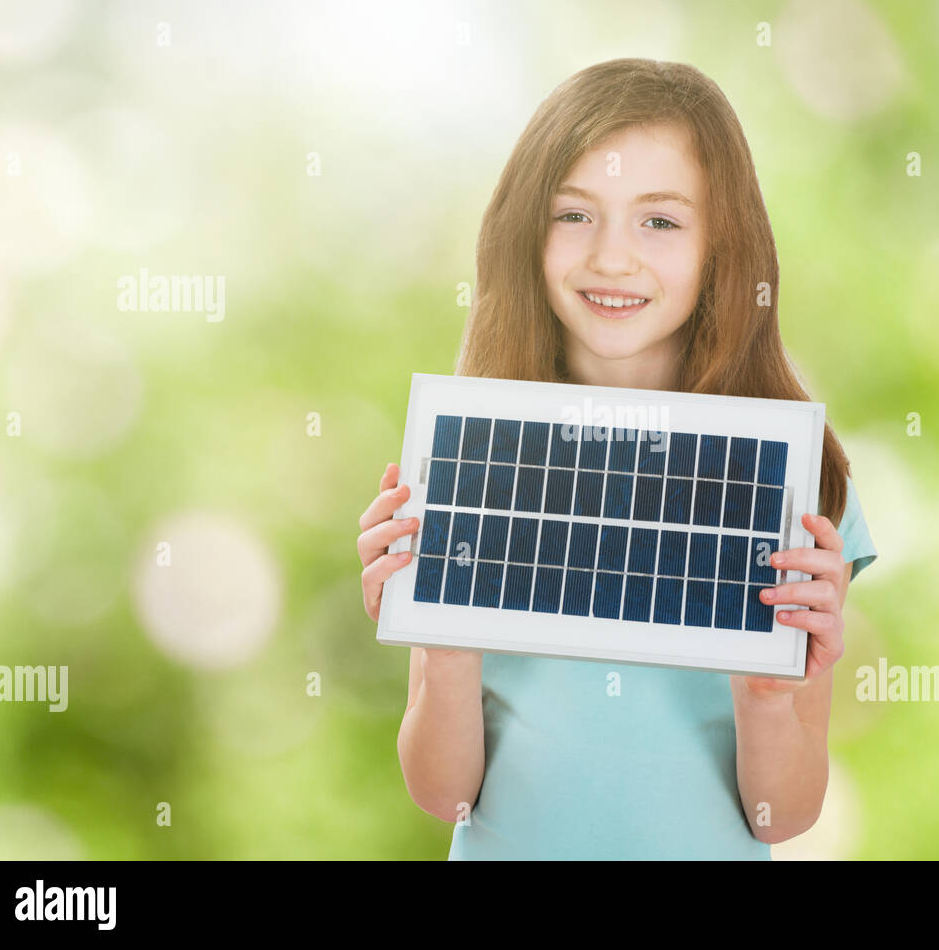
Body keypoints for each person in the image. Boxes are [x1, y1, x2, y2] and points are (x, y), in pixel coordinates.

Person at [355, 59, 878, 859]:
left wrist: (772, 695)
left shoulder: (793, 487)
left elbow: (781, 815)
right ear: (526, 229)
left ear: (722, 246)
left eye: (660, 221)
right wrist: (443, 645)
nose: (612, 256)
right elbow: (445, 793)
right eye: (574, 214)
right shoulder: (468, 459)